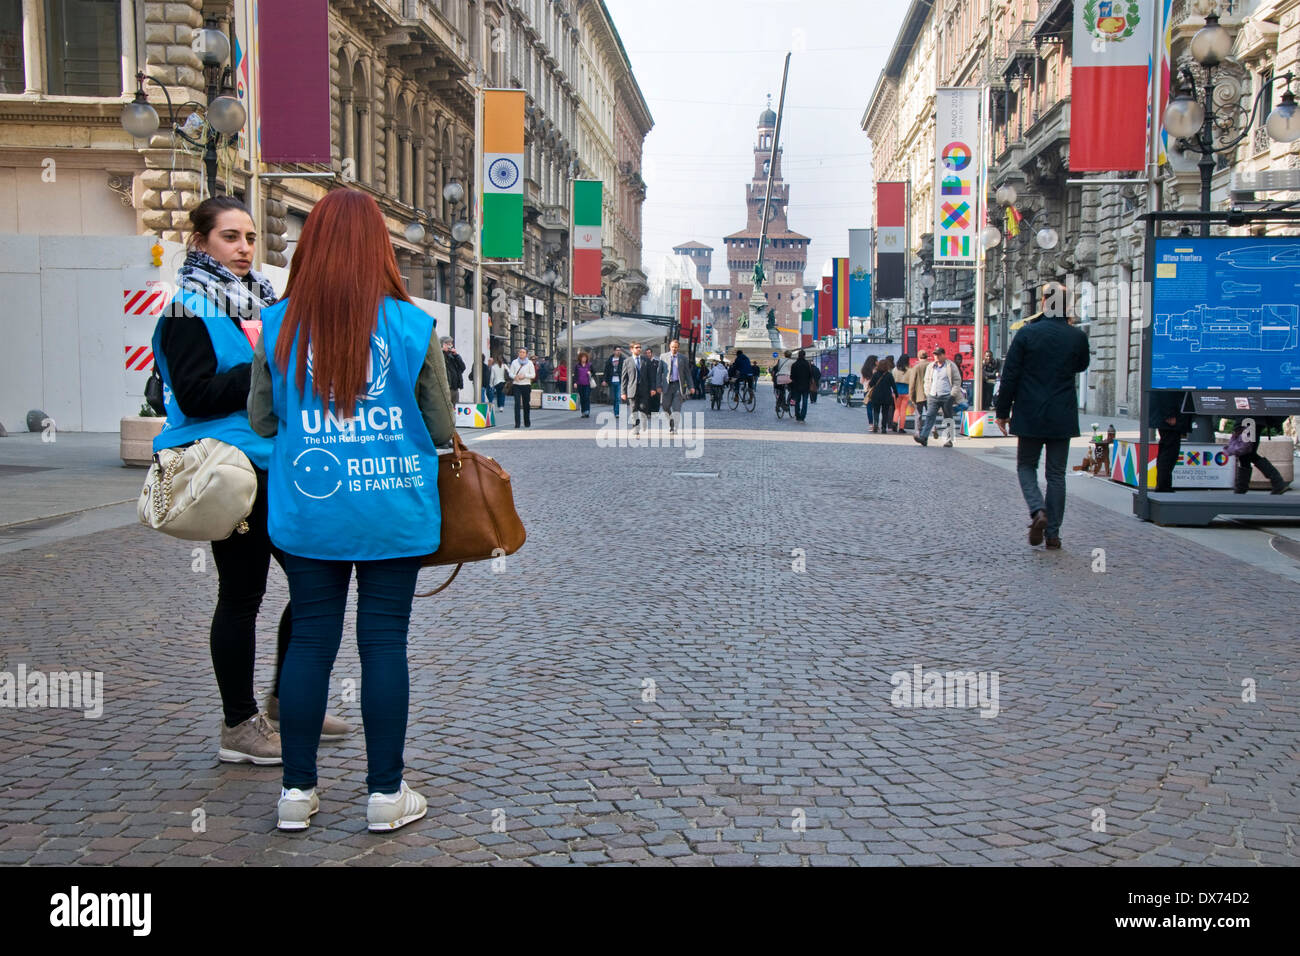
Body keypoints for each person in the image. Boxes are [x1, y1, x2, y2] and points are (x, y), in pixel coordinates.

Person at [248, 188, 454, 831]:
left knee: (310, 642)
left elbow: (261, 418)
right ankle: (386, 796)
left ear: (309, 247)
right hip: (391, 506)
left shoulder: (278, 325)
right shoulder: (413, 325)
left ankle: (296, 794)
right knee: (384, 644)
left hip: (311, 509)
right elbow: (442, 429)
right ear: (379, 249)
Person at [153, 196, 350, 767]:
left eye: (247, 238)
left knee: (318, 583)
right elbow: (192, 395)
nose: (243, 249)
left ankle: (289, 701)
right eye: (229, 238)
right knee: (242, 595)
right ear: (201, 243)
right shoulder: (187, 311)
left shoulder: (264, 303)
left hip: (281, 464)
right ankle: (239, 724)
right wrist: (264, 366)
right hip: (230, 471)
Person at [994, 281, 1091, 549]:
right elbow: (1081, 365)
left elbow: (1010, 374)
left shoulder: (1027, 334)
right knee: (1056, 475)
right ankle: (1054, 535)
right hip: (1062, 413)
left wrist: (1002, 412)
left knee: (1026, 466)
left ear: (1044, 302)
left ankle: (1038, 511)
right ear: (1066, 304)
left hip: (1029, 413)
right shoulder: (1077, 336)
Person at [1229, 416, 1288, 494]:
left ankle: (1277, 482)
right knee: (1246, 455)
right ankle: (1241, 488)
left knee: (1248, 454)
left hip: (1248, 420)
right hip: (1252, 420)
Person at [915, 347, 961, 447]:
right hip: (933, 395)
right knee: (930, 416)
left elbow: (957, 381)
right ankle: (923, 437)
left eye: (939, 354)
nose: (937, 357)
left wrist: (952, 394)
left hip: (946, 395)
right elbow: (927, 380)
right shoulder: (931, 366)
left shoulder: (950, 365)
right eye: (935, 355)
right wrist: (928, 392)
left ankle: (949, 440)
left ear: (944, 355)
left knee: (948, 417)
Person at [1150, 391, 1192, 493]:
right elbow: (1166, 393)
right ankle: (1163, 486)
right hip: (1171, 419)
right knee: (1169, 453)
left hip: (1170, 417)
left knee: (1168, 452)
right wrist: (1169, 415)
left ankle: (1164, 485)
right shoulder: (1170, 377)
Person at [622, 340, 652, 434]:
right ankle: (635, 427)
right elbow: (624, 378)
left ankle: (642, 422)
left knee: (643, 407)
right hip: (632, 389)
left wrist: (652, 388)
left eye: (640, 347)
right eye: (636, 347)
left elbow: (650, 376)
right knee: (633, 408)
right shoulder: (627, 361)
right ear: (631, 349)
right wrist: (623, 392)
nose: (639, 349)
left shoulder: (645, 360)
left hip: (644, 389)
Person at [661, 339, 690, 433]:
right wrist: (657, 385)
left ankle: (675, 427)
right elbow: (659, 373)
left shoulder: (683, 358)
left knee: (676, 408)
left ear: (678, 348)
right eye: (673, 347)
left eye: (676, 347)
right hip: (667, 386)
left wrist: (691, 386)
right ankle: (671, 421)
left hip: (678, 386)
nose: (674, 349)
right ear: (670, 346)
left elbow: (687, 374)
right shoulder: (663, 357)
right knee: (665, 407)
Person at [867, 355, 897, 434]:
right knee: (885, 413)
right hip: (886, 396)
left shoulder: (876, 374)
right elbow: (893, 385)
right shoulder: (889, 375)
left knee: (876, 411)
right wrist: (896, 394)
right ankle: (884, 428)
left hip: (876, 396)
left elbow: (871, 384)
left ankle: (876, 425)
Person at [507, 347, 536, 428]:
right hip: (517, 385)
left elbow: (533, 375)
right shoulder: (514, 362)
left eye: (523, 352)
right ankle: (517, 423)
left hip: (526, 385)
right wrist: (514, 376)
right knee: (517, 404)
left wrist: (525, 376)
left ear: (526, 354)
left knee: (526, 404)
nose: (521, 353)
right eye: (520, 352)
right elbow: (510, 373)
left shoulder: (530, 363)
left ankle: (527, 422)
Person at [904, 349, 930, 436]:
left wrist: (911, 396)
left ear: (919, 357)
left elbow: (912, 383)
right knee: (931, 413)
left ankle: (918, 431)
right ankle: (933, 428)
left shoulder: (915, 368)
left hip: (919, 395)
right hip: (931, 394)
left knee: (918, 414)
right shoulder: (932, 366)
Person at [790, 349, 813, 422]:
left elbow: (792, 377)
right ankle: (803, 416)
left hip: (796, 386)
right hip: (806, 386)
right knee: (805, 401)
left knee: (797, 401)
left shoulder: (794, 364)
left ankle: (797, 415)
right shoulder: (807, 364)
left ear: (798, 355)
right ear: (804, 355)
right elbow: (810, 375)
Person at [440, 337, 465, 403]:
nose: (450, 345)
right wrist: (442, 351)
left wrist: (456, 355)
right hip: (446, 388)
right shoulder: (440, 355)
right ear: (443, 344)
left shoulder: (453, 356)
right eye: (448, 344)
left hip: (455, 388)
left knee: (455, 408)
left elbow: (462, 367)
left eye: (451, 343)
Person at [604, 347, 626, 420]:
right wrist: (605, 380)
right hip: (612, 381)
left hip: (620, 381)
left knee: (618, 398)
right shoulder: (609, 360)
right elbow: (606, 371)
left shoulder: (623, 360)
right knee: (613, 398)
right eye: (617, 350)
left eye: (619, 350)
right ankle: (615, 411)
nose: (618, 352)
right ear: (614, 351)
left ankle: (617, 413)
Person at [893, 354, 912, 432]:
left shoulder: (895, 369)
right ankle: (901, 427)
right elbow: (911, 381)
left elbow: (893, 380)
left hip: (897, 390)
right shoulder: (910, 370)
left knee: (897, 408)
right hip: (906, 391)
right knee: (903, 410)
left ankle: (894, 422)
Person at [573, 351, 594, 418]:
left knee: (586, 397)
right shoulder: (577, 366)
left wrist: (590, 373)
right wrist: (575, 382)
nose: (584, 359)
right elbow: (575, 375)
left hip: (587, 384)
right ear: (580, 358)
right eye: (582, 357)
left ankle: (587, 411)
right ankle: (583, 412)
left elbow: (594, 372)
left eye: (585, 357)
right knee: (582, 398)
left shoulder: (589, 365)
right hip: (580, 384)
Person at [860, 355, 878, 427]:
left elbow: (861, 381)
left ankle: (871, 424)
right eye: (876, 360)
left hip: (866, 390)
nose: (877, 362)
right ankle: (876, 424)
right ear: (874, 361)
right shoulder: (876, 370)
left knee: (869, 408)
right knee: (876, 408)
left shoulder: (864, 369)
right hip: (875, 390)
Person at [644, 346, 663, 416]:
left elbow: (661, 373)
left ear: (652, 353)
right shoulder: (644, 363)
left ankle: (655, 413)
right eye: (647, 353)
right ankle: (648, 413)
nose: (648, 354)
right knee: (648, 399)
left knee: (656, 399)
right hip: (647, 384)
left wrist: (660, 383)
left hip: (656, 383)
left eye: (649, 353)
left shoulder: (657, 362)